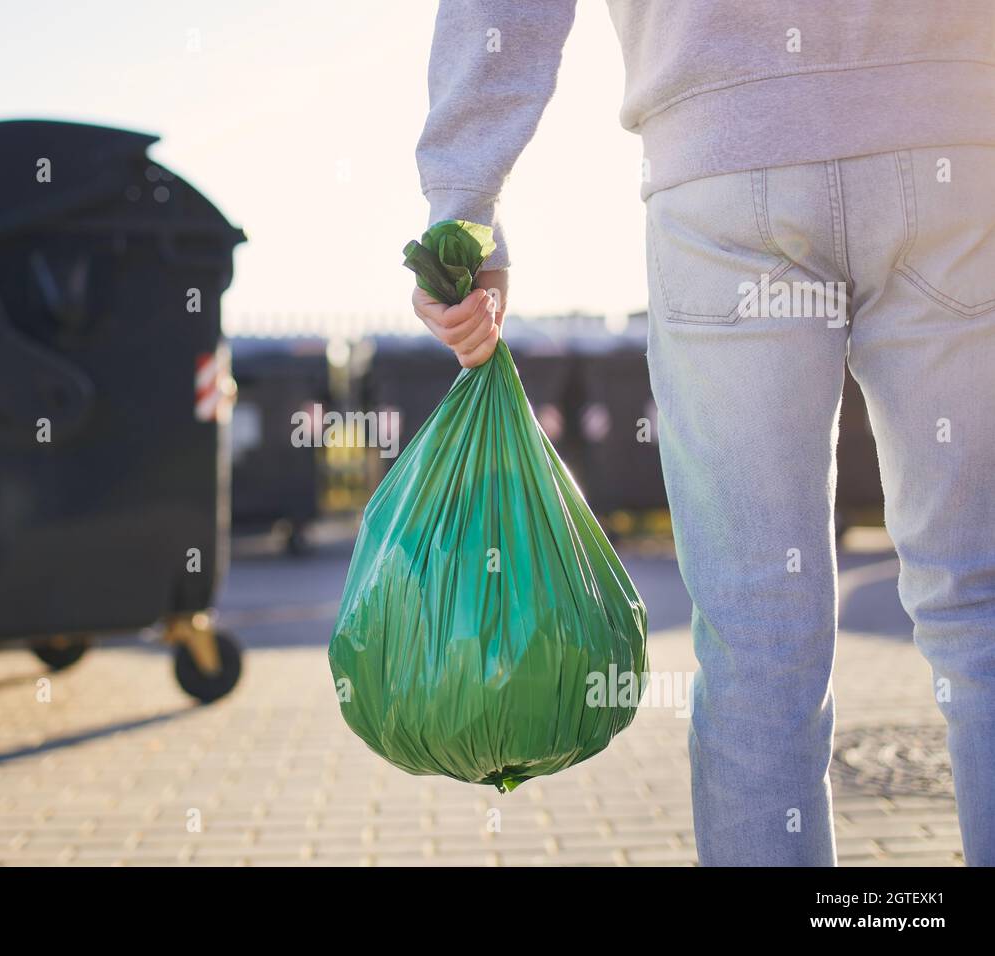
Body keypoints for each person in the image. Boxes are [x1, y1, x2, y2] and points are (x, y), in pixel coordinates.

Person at [411, 0, 995, 866]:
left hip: (726, 164)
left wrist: (465, 204)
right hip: (952, 143)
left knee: (759, 636)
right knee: (981, 607)